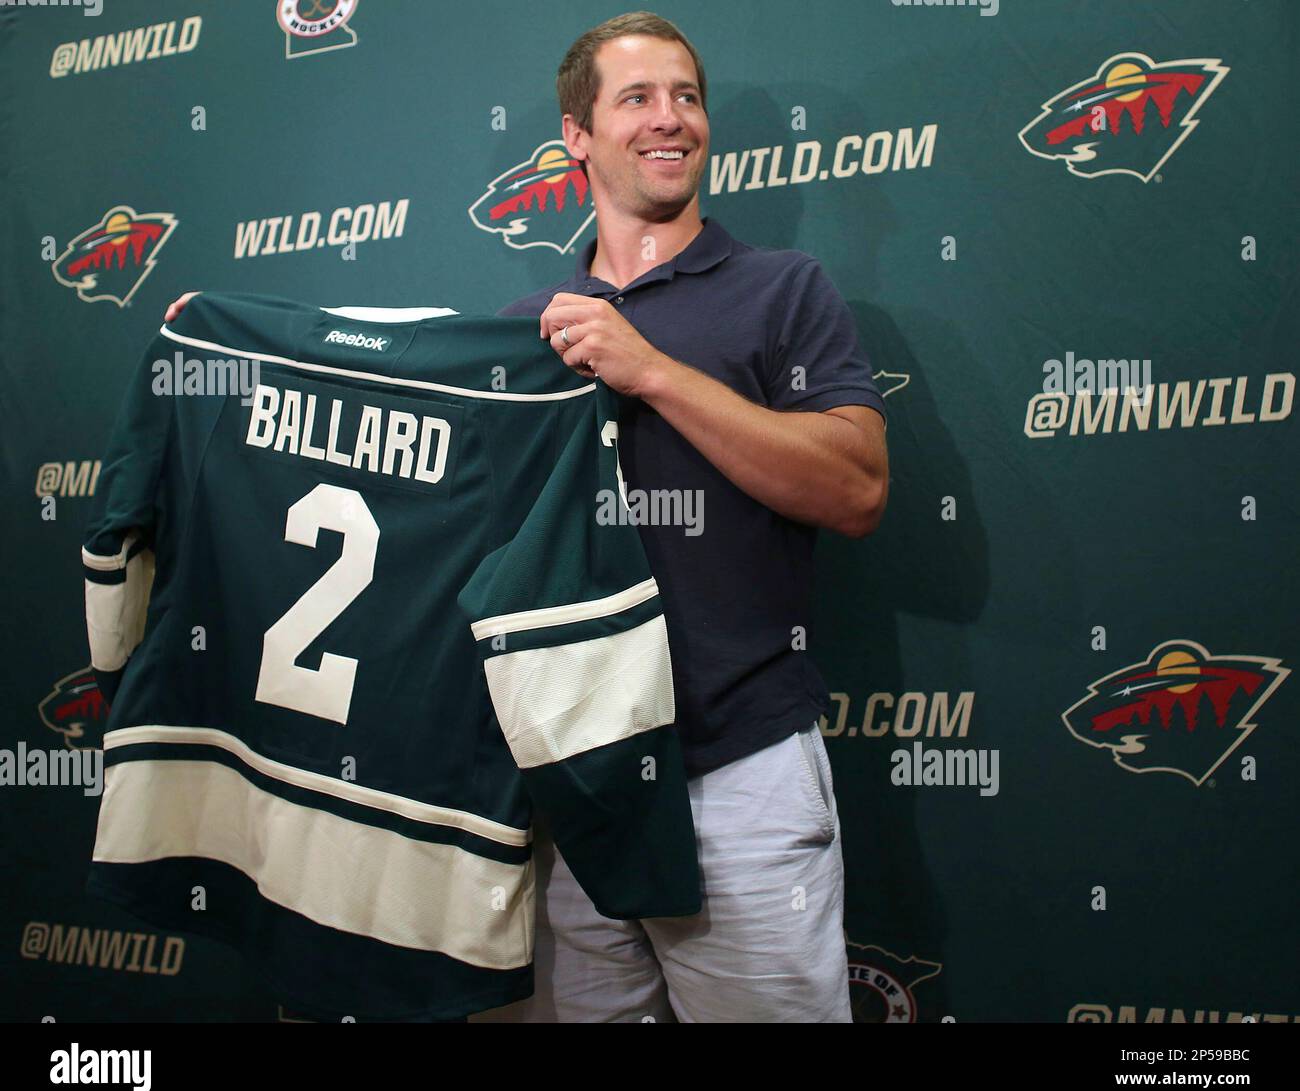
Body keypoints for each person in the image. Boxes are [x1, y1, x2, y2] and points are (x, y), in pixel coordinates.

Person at [163, 10, 889, 1024]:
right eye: (636, 97)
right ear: (576, 136)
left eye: (686, 96)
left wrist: (650, 370)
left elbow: (854, 488)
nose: (669, 119)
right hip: (567, 787)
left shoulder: (781, 289)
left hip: (735, 772)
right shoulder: (521, 336)